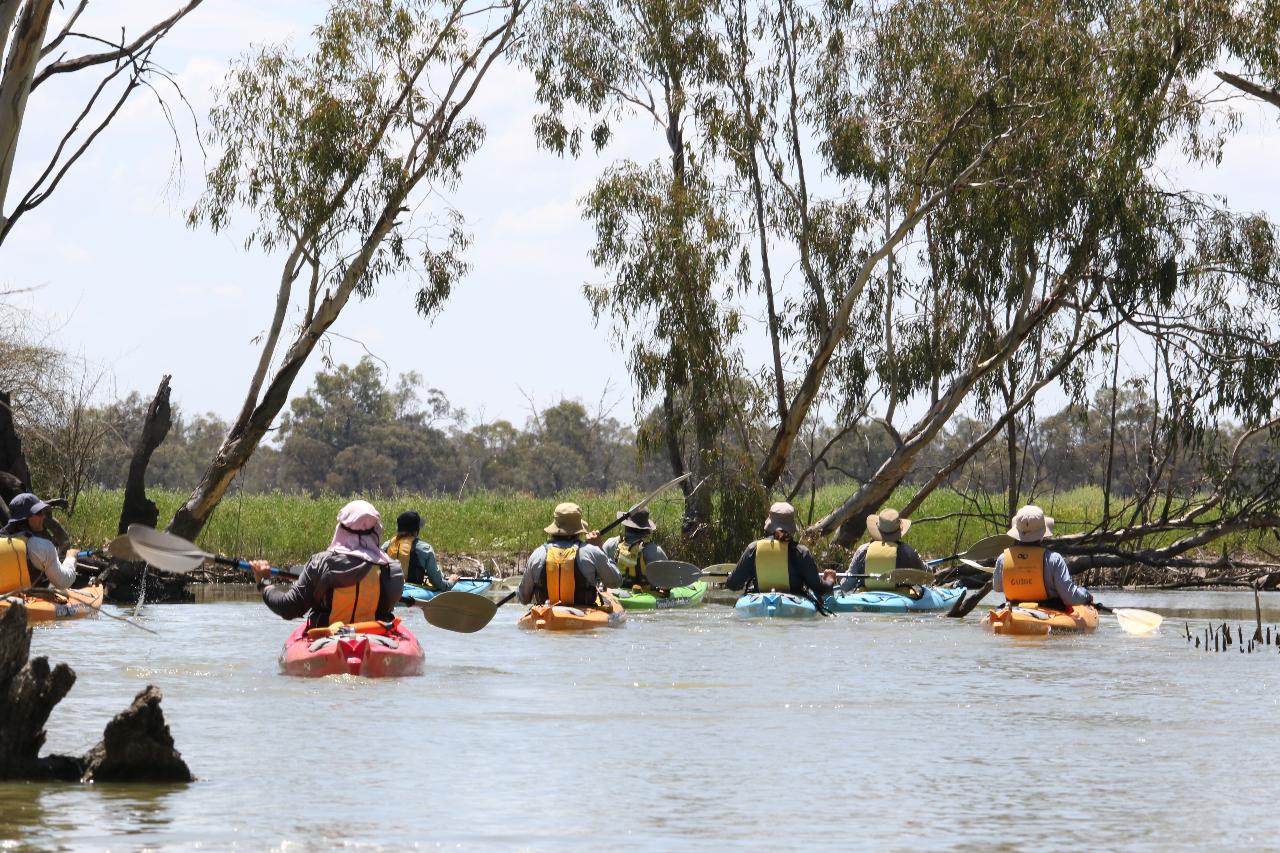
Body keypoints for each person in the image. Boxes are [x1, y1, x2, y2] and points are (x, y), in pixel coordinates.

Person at [250, 500, 404, 629]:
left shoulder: (320, 563)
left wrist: (264, 582)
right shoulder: (391, 569)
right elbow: (386, 610)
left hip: (327, 638)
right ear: (376, 530)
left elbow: (289, 608)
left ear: (341, 529)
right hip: (373, 636)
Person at [725, 502, 832, 603]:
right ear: (791, 527)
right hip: (793, 603)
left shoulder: (753, 549)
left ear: (770, 524)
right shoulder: (801, 552)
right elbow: (820, 589)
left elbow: (733, 584)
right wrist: (829, 580)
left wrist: (747, 574)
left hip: (760, 600)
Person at [519, 502, 621, 607]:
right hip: (583, 616)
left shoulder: (537, 554)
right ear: (579, 530)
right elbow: (615, 582)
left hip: (546, 616)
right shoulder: (592, 552)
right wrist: (600, 548)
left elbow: (523, 598)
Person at [992, 504, 1094, 609]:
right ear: (1041, 534)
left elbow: (998, 587)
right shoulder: (1054, 560)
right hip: (1049, 612)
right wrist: (1086, 595)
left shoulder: (1003, 559)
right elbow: (1069, 597)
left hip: (1014, 611)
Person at [835, 508, 930, 592]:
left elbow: (846, 586)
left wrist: (841, 577)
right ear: (899, 531)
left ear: (878, 529)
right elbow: (925, 578)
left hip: (867, 600)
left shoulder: (862, 551)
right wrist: (923, 563)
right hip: (900, 599)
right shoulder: (907, 552)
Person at [0, 493, 77, 595]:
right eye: (39, 513)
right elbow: (63, 581)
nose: (44, 516)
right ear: (27, 518)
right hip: (29, 603)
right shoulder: (42, 546)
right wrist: (71, 559)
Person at [383, 510, 457, 591]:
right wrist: (450, 583)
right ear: (416, 530)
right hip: (413, 591)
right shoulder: (425, 549)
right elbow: (437, 583)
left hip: (388, 590)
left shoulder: (386, 546)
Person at [601, 508, 667, 588]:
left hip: (613, 594)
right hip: (643, 597)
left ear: (626, 524)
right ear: (646, 529)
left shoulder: (609, 544)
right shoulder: (656, 551)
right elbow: (666, 580)